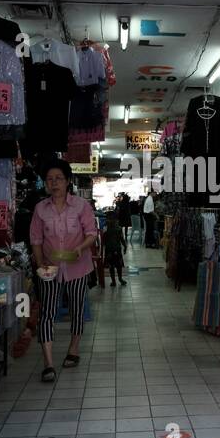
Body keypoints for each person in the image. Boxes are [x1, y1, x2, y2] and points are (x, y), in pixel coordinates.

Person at [29, 159, 98, 382]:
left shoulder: (81, 205)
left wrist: (81, 247)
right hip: (50, 268)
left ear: (68, 181)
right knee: (47, 313)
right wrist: (40, 265)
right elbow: (36, 240)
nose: (54, 183)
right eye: (50, 179)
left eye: (59, 178)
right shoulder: (40, 209)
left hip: (78, 267)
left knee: (77, 309)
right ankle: (48, 363)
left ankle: (74, 348)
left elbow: (91, 233)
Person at [102, 210, 128, 287]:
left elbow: (121, 239)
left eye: (111, 219)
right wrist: (125, 246)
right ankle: (116, 280)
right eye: (108, 219)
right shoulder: (107, 229)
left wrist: (125, 246)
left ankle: (117, 280)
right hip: (113, 249)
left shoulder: (111, 229)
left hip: (113, 249)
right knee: (114, 266)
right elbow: (122, 239)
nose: (110, 220)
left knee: (115, 266)